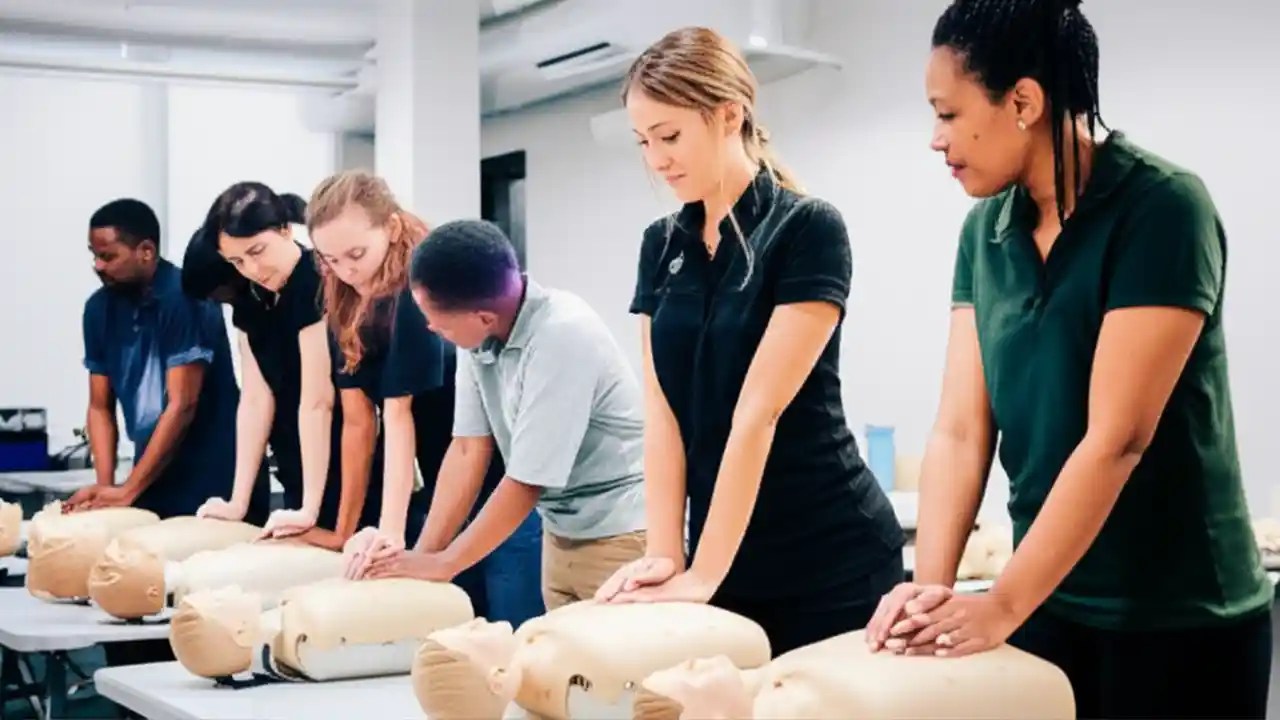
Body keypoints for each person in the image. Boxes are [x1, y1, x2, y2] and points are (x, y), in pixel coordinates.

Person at [865, 1, 1274, 718]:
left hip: (1178, 618)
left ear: (1023, 100)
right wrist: (931, 591)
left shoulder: (1163, 209)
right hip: (1048, 605)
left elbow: (1118, 438)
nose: (935, 140)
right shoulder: (983, 232)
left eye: (949, 114)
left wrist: (1000, 605)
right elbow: (962, 430)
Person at [593, 27, 906, 657]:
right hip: (724, 552)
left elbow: (756, 414)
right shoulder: (660, 245)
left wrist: (703, 573)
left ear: (730, 114)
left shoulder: (807, 228)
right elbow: (662, 414)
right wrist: (664, 553)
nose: (656, 159)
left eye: (670, 135)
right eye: (644, 141)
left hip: (829, 553)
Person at [363, 219, 647, 612]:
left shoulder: (561, 336)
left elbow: (527, 480)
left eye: (440, 324)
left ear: (482, 317)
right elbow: (467, 449)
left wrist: (446, 564)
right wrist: (419, 559)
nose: (432, 329)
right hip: (561, 531)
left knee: (614, 668)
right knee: (558, 667)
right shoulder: (480, 336)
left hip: (621, 533)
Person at [305, 170, 544, 625]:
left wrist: (392, 529)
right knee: (459, 626)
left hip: (502, 488)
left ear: (392, 229)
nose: (346, 270)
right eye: (331, 259)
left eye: (356, 254)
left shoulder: (417, 297)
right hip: (445, 487)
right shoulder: (343, 301)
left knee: (511, 629)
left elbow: (398, 415)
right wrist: (344, 527)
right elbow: (359, 422)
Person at [181, 182, 378, 549]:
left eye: (257, 251)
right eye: (237, 262)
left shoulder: (317, 280)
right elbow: (255, 400)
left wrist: (309, 509)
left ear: (285, 230)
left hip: (350, 464)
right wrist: (237, 502)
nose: (252, 268)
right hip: (297, 463)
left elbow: (319, 401)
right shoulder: (250, 299)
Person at [69, 199, 267, 525]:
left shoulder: (184, 297)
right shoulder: (98, 310)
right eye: (94, 255)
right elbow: (100, 406)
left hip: (214, 474)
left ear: (146, 251)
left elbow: (182, 405)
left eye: (108, 256)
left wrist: (128, 489)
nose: (98, 266)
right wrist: (106, 487)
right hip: (154, 475)